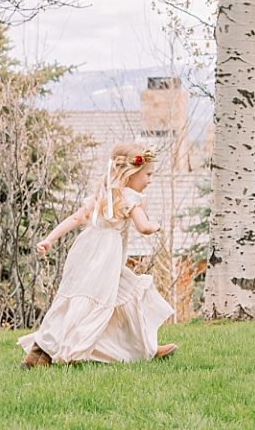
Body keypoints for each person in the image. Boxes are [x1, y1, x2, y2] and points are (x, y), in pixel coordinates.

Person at [19, 142, 177, 367]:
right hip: (106, 260)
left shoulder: (103, 195)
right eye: (148, 175)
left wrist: (49, 239)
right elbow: (143, 227)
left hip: (85, 254)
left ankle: (144, 349)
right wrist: (156, 225)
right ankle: (65, 351)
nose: (150, 180)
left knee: (82, 298)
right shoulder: (130, 197)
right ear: (130, 174)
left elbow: (76, 219)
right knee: (119, 298)